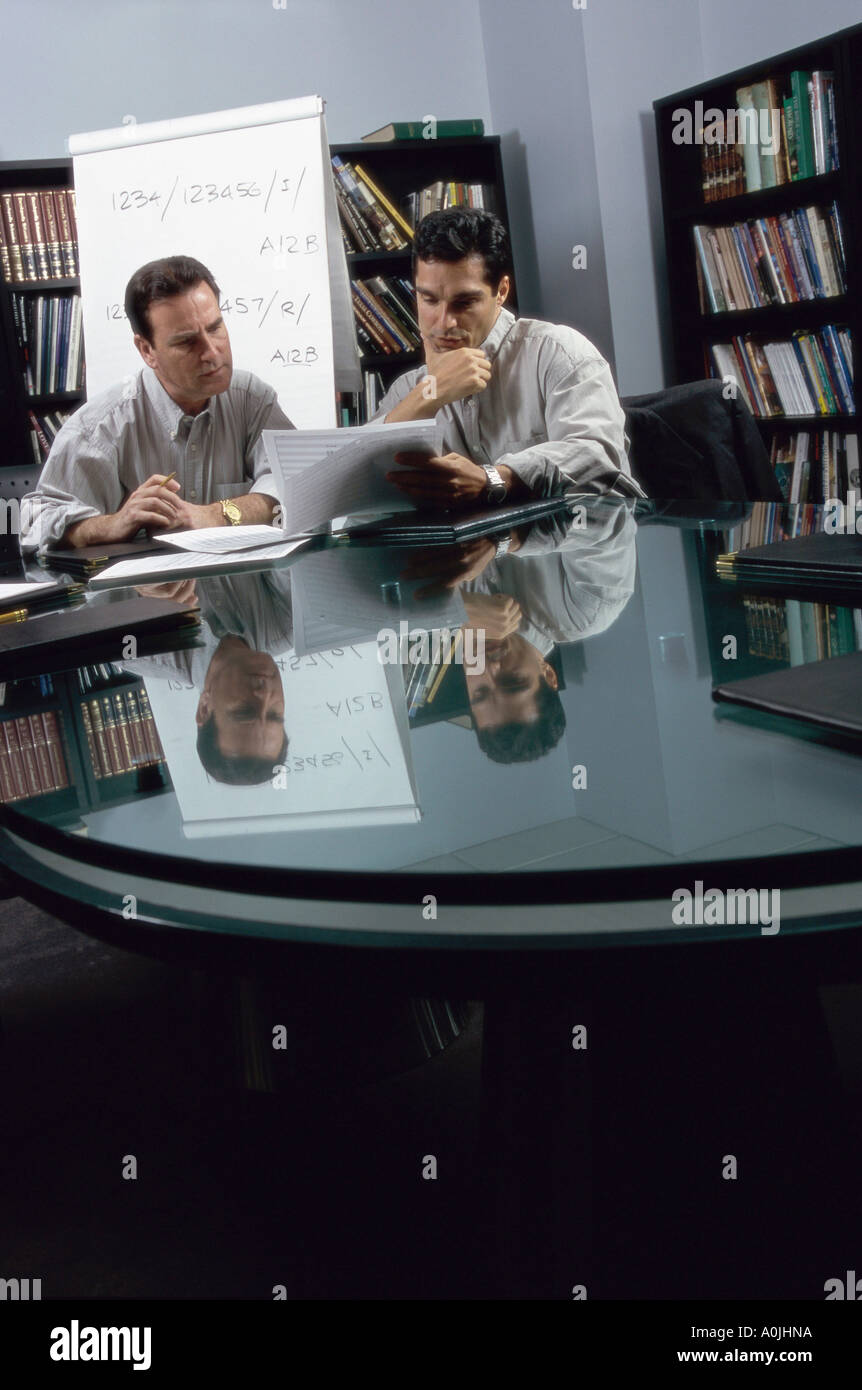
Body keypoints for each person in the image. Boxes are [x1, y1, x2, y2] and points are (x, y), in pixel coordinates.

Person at [374, 206, 643, 509]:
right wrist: (430, 392)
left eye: (464, 302)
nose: (444, 321)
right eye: (429, 299)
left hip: (574, 546)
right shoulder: (406, 389)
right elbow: (355, 484)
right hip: (457, 554)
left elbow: (596, 455)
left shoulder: (559, 353)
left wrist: (494, 479)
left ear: (501, 291)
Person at [21, 255, 291, 551]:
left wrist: (213, 515)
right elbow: (35, 523)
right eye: (187, 342)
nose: (212, 352)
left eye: (215, 328)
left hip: (241, 593)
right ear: (147, 350)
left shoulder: (251, 398)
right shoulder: (98, 428)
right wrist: (112, 524)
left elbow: (295, 486)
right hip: (144, 596)